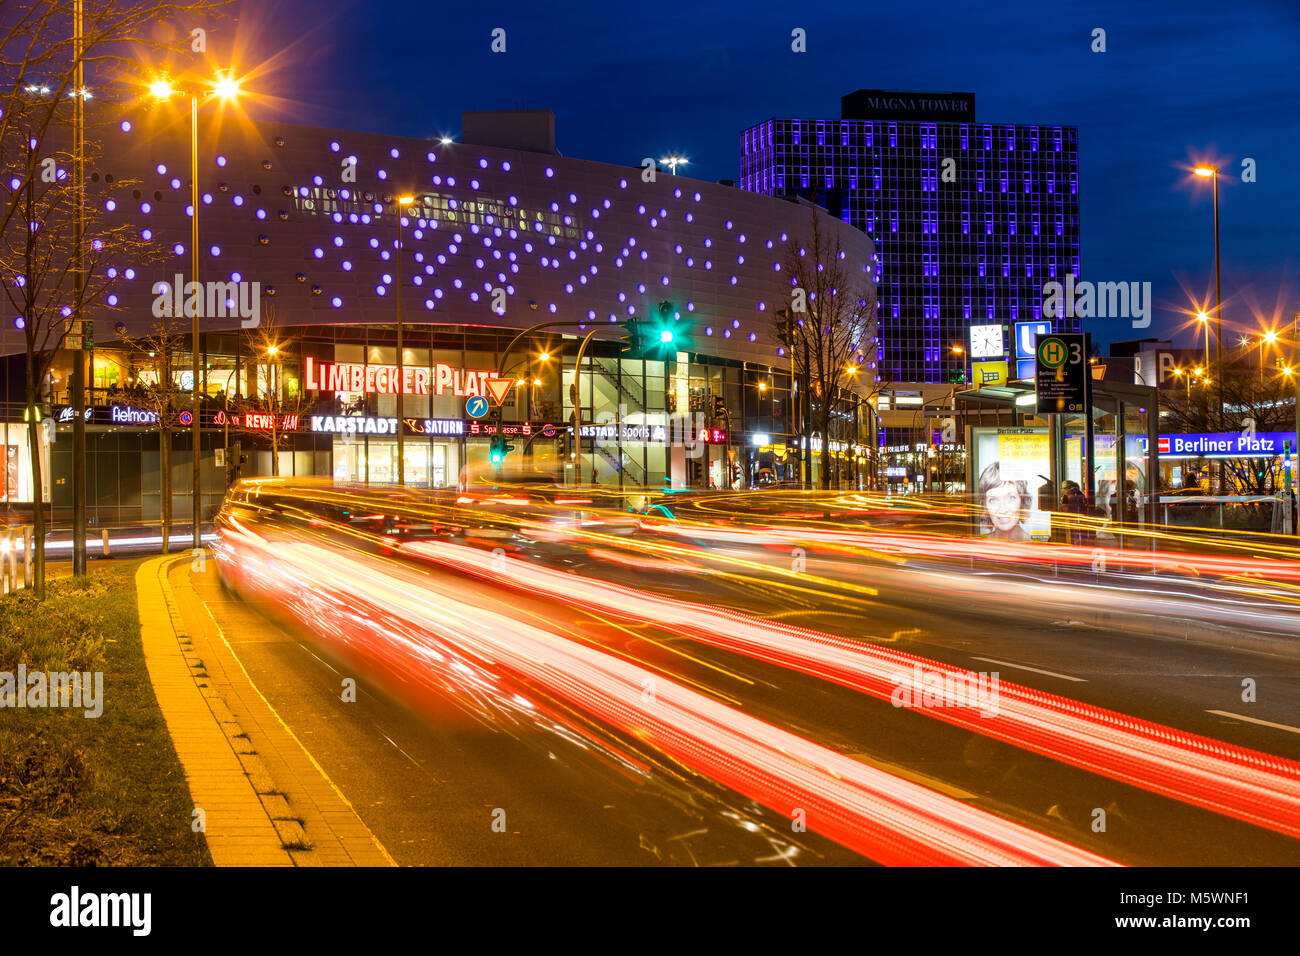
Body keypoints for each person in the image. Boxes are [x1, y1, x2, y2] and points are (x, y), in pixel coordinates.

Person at [977, 461, 1031, 541]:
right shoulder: (978, 547)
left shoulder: (1037, 547)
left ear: (1022, 501)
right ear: (985, 506)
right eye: (993, 500)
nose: (1002, 510)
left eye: (1011, 498)